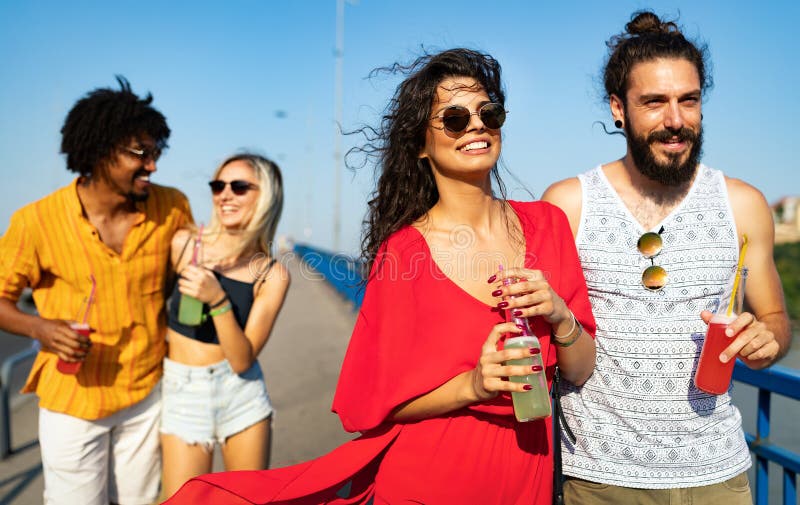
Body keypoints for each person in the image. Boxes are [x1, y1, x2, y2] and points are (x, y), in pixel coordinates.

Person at [164, 48, 596, 505]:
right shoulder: (402, 255)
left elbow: (582, 367)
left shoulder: (548, 225)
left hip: (524, 479)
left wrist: (561, 315)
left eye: (488, 111)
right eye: (452, 118)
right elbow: (371, 406)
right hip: (425, 482)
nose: (476, 125)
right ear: (420, 146)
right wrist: (473, 384)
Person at [542, 10, 791, 505]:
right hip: (600, 479)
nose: (675, 120)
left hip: (719, 474)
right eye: (654, 102)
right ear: (618, 108)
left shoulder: (743, 204)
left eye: (689, 100)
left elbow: (777, 321)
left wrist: (768, 342)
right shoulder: (568, 204)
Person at [0, 77, 193, 504]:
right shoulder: (36, 221)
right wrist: (41, 328)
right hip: (74, 399)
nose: (153, 166)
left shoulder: (172, 206)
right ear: (100, 151)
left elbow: (198, 270)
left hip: (145, 392)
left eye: (156, 152)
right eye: (140, 153)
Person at [160, 153, 289, 496]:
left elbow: (242, 359)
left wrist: (217, 300)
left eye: (239, 186)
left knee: (246, 499)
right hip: (182, 389)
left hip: (240, 393)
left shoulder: (270, 273)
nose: (225, 194)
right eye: (218, 185)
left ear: (265, 197)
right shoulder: (184, 244)